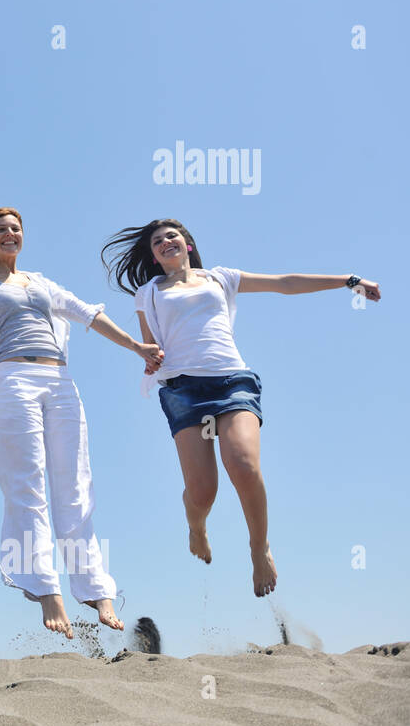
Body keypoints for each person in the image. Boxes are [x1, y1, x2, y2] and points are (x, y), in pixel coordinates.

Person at [102, 218, 381, 597]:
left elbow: (284, 283)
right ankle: (197, 527)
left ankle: (259, 548)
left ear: (187, 243)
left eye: (172, 236)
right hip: (184, 390)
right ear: (153, 256)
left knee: (244, 465)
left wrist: (349, 280)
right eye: (157, 241)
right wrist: (149, 356)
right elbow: (151, 346)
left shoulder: (221, 278)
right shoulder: (148, 293)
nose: (166, 241)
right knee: (202, 493)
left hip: (232, 382)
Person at [0, 209, 161, 639]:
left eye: (15, 229)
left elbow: (89, 315)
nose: (9, 234)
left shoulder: (43, 283)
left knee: (75, 483)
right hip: (13, 381)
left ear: (22, 238)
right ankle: (47, 590)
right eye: (1, 230)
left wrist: (137, 347)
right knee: (25, 483)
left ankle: (95, 589)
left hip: (60, 381)